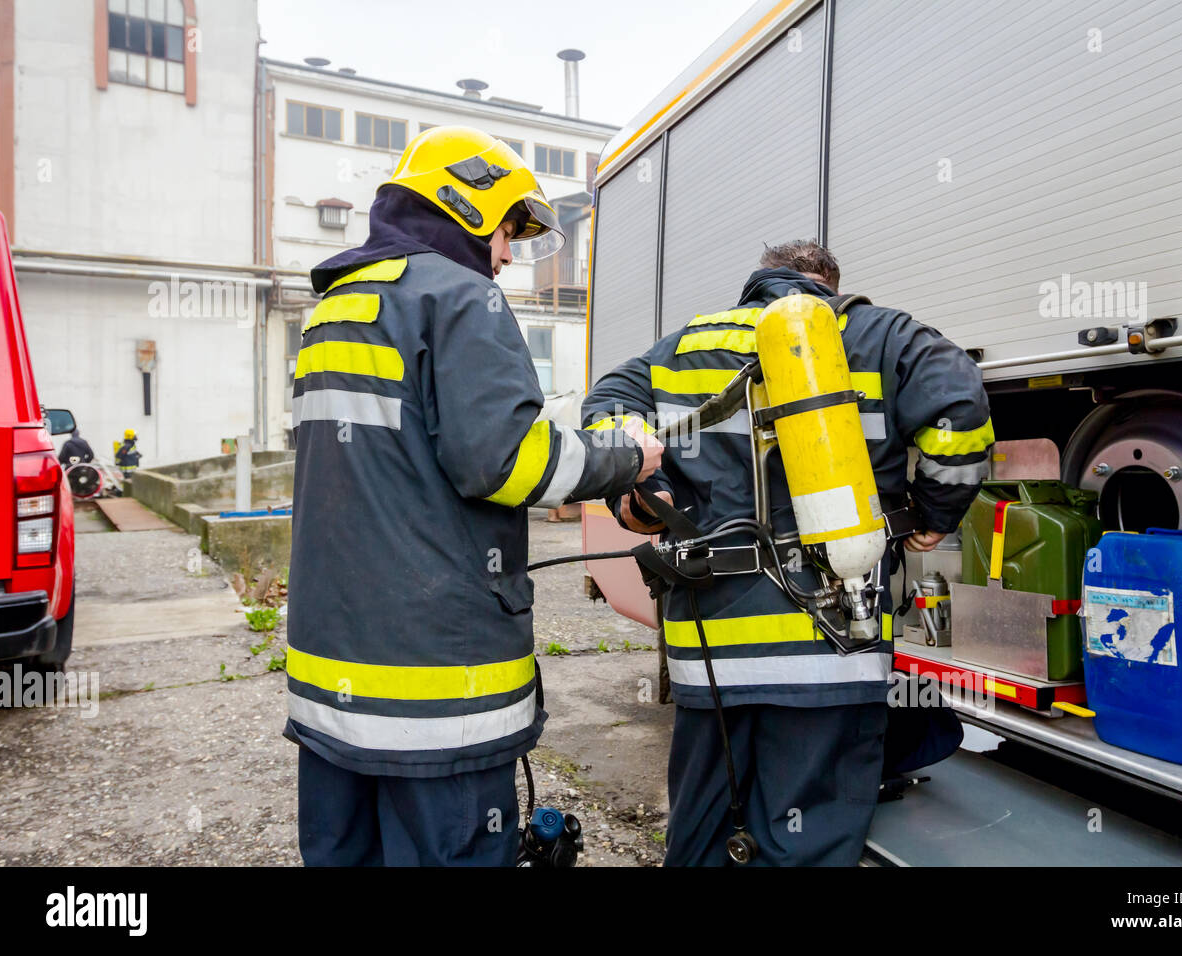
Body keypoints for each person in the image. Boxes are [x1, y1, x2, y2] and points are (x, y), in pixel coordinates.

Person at [284, 126, 662, 867]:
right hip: (436, 696)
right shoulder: (459, 298)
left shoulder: (334, 308)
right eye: (505, 229)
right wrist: (627, 456)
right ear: (462, 202)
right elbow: (505, 462)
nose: (507, 253)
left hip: (333, 683)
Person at [583, 240, 991, 865]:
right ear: (828, 285)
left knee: (704, 835)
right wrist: (933, 516)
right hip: (831, 649)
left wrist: (641, 497)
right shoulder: (881, 333)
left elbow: (605, 414)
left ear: (757, 283)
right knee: (804, 842)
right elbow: (961, 416)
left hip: (709, 657)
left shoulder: (681, 348)